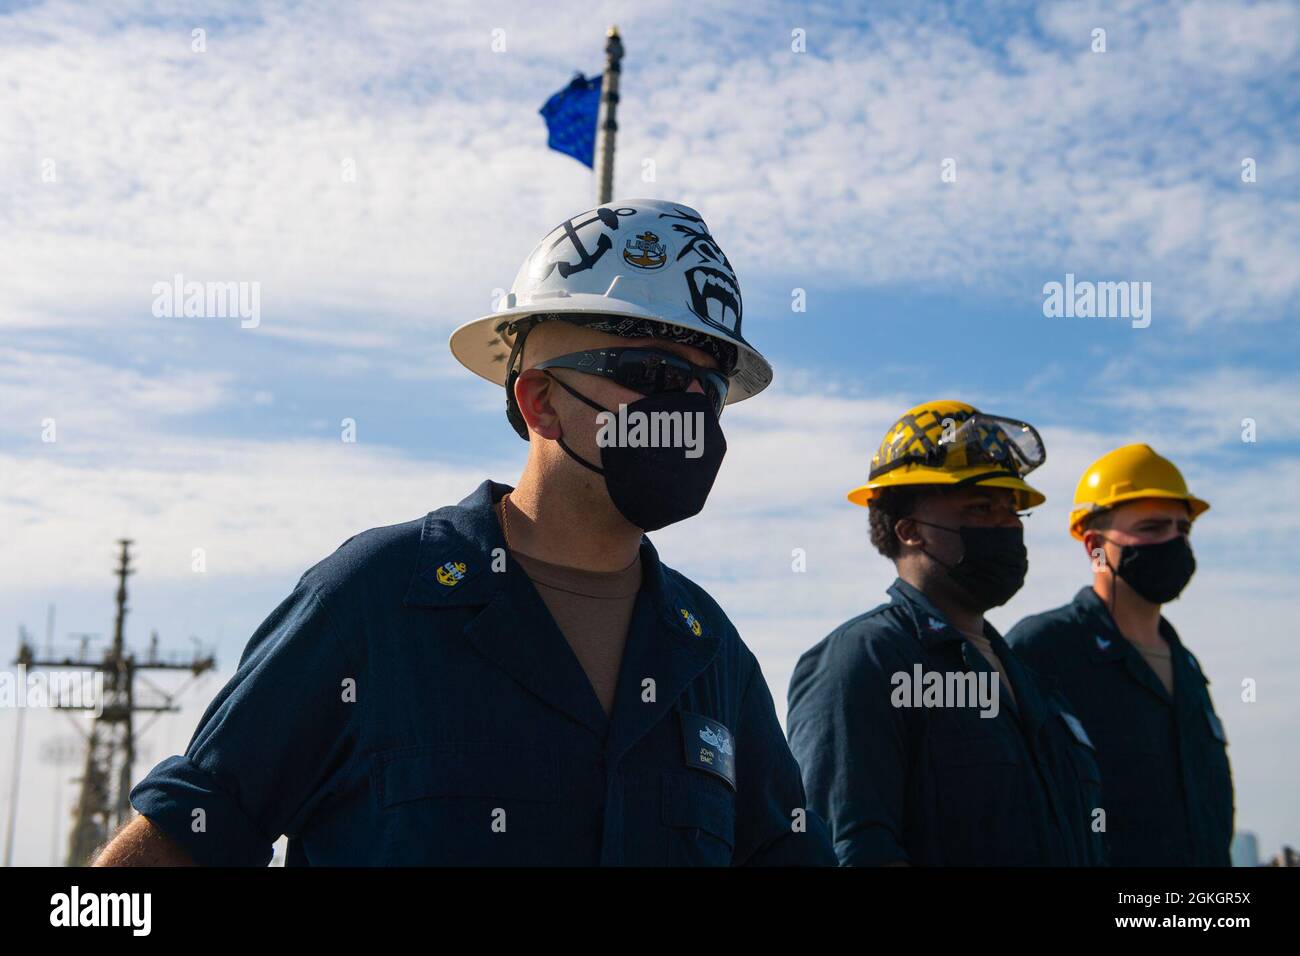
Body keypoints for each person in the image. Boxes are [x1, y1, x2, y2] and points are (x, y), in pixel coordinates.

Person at [96, 199, 834, 866]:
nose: (687, 411)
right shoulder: (377, 601)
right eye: (650, 372)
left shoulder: (709, 651)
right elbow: (183, 842)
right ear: (540, 400)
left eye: (706, 387)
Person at [787, 400, 1107, 866]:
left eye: (1013, 509)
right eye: (981, 508)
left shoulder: (1031, 680)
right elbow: (850, 849)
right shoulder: (864, 662)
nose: (1009, 525)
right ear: (910, 530)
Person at [1005, 443, 1233, 866]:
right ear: (1094, 546)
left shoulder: (1186, 665)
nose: (1174, 541)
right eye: (1151, 528)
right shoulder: (1042, 649)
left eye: (1183, 528)